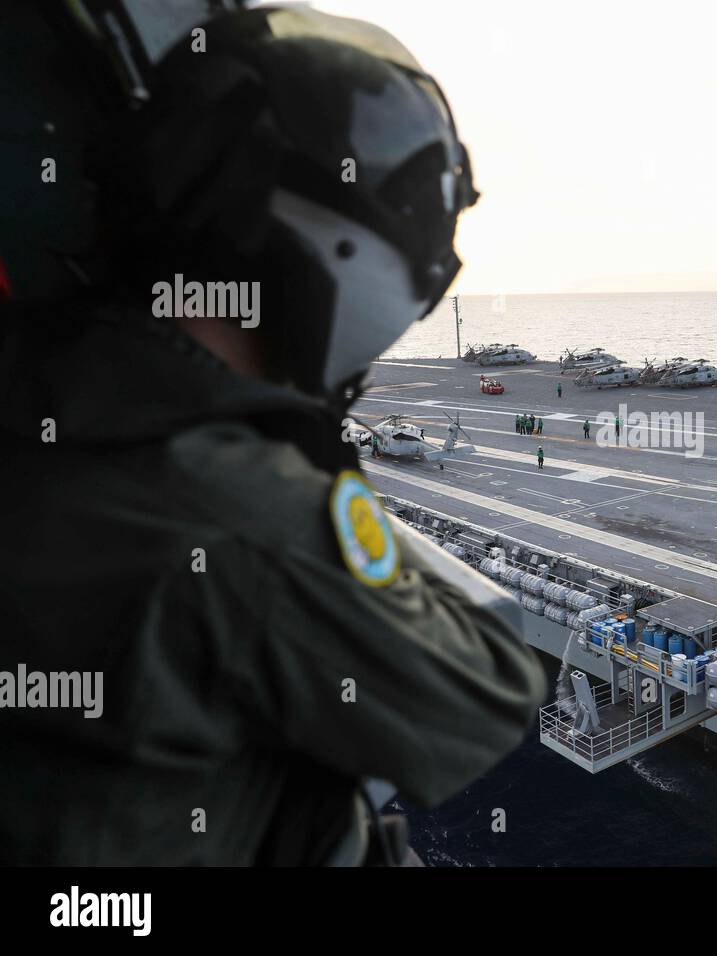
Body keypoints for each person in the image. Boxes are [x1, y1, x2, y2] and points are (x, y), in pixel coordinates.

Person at [0, 2, 545, 865]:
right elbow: (481, 696)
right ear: (340, 256)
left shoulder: (38, 379)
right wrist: (311, 468)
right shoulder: (232, 499)